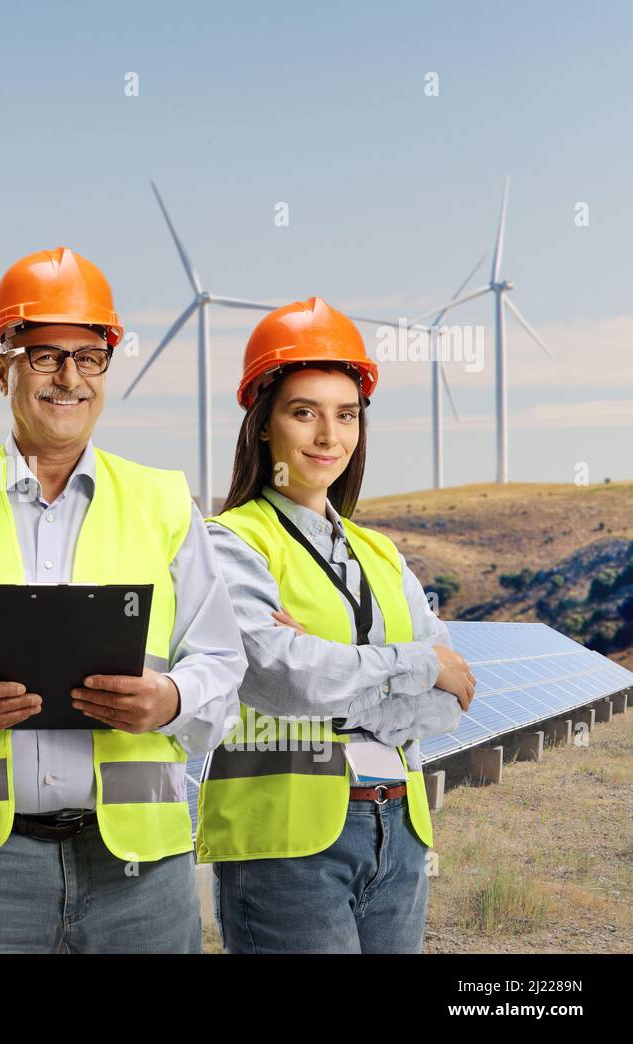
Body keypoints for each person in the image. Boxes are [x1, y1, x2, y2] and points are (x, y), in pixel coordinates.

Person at [0, 246, 247, 953]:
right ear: (1, 366)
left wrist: (172, 700)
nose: (69, 378)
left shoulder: (163, 502)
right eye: (43, 356)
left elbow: (221, 659)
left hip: (140, 873)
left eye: (89, 357)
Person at [198, 296, 475, 953]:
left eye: (346, 415)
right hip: (284, 842)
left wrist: (339, 683)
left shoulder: (379, 553)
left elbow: (452, 698)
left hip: (399, 830)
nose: (329, 437)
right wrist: (411, 665)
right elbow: (285, 680)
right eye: (304, 413)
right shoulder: (231, 542)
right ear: (264, 423)